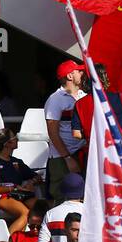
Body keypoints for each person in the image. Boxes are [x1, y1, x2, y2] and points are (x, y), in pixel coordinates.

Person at [44, 60, 87, 198]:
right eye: (78, 71)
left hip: (82, 153)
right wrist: (68, 158)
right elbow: (53, 133)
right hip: (61, 157)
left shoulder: (84, 96)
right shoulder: (55, 99)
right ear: (69, 76)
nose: (82, 73)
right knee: (62, 197)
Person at [0, 128, 43, 232]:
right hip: (2, 196)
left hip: (19, 194)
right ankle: (7, 241)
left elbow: (37, 176)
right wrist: (13, 188)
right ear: (7, 143)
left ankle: (31, 239)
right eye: (15, 138)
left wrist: (31, 182)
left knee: (41, 208)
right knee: (25, 213)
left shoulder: (17, 162)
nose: (17, 140)